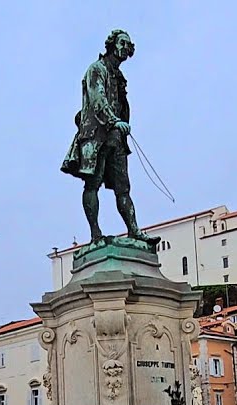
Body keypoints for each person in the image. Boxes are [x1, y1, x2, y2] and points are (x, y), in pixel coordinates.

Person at [61, 29, 157, 246]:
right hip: (95, 135)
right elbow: (97, 100)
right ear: (112, 45)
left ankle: (134, 231)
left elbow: (121, 105)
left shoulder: (119, 76)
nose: (126, 48)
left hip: (116, 137)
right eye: (122, 43)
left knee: (123, 187)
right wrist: (114, 121)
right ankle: (96, 235)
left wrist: (119, 125)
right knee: (92, 183)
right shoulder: (96, 69)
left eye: (128, 45)